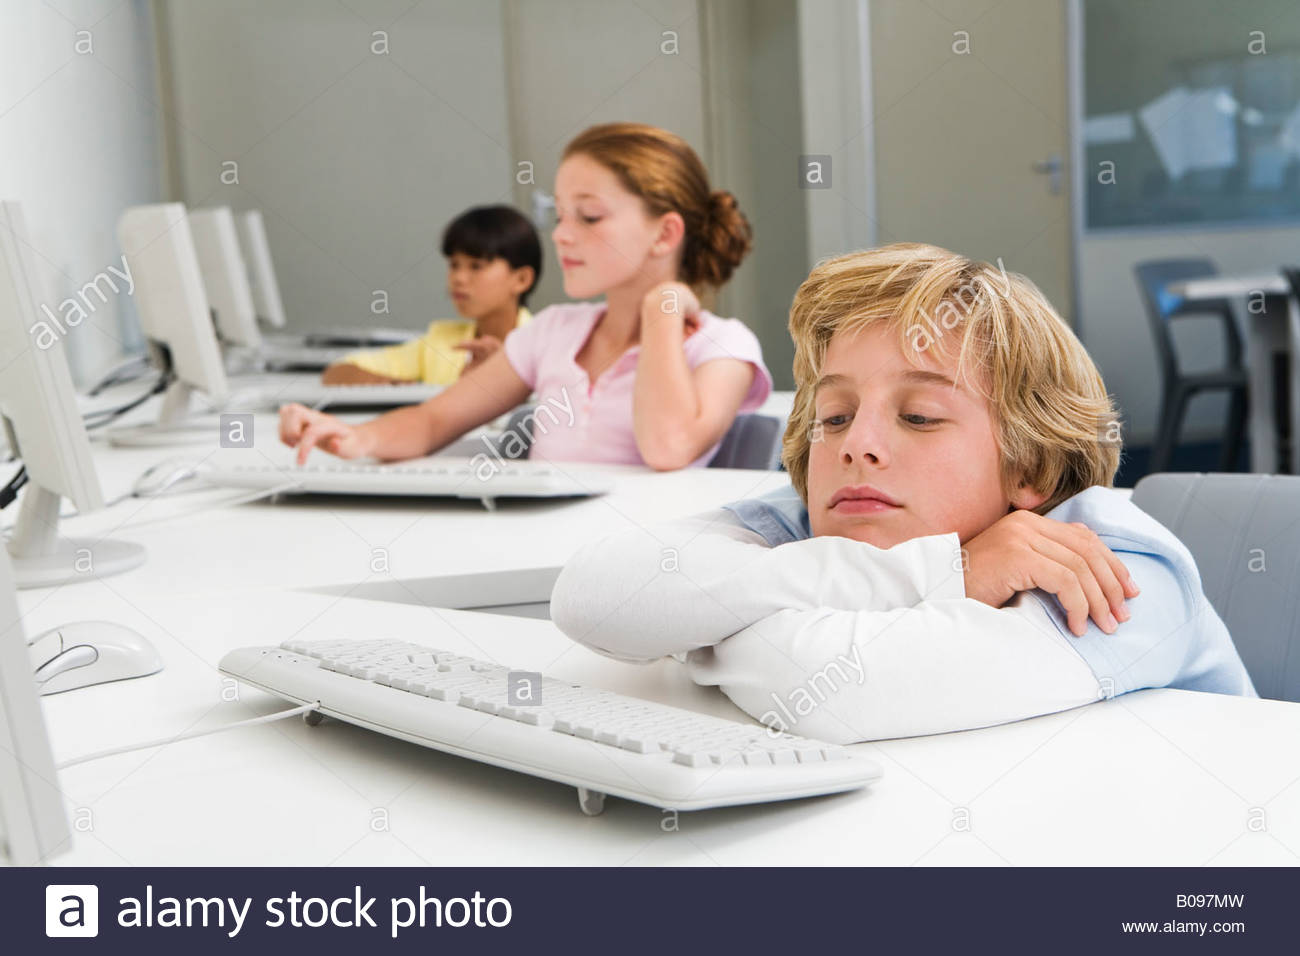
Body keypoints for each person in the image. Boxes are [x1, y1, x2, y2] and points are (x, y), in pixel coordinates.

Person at [550, 243, 1257, 743]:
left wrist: (702, 623)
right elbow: (591, 595)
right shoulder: (824, 520)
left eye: (919, 416)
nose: (856, 443)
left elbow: (835, 689)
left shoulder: (1114, 566)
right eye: (834, 416)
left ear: (1030, 468)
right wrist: (949, 574)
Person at [280, 122, 772, 469]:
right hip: (539, 559)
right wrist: (352, 437)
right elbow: (434, 422)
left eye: (589, 216)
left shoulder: (724, 346)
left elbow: (668, 448)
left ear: (665, 235)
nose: (560, 235)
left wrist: (662, 309)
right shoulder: (554, 331)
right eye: (560, 215)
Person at [322, 205, 541, 385]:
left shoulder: (545, 344)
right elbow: (338, 370)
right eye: (454, 265)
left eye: (476, 266)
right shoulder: (441, 340)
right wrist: (393, 386)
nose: (458, 278)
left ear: (521, 279)